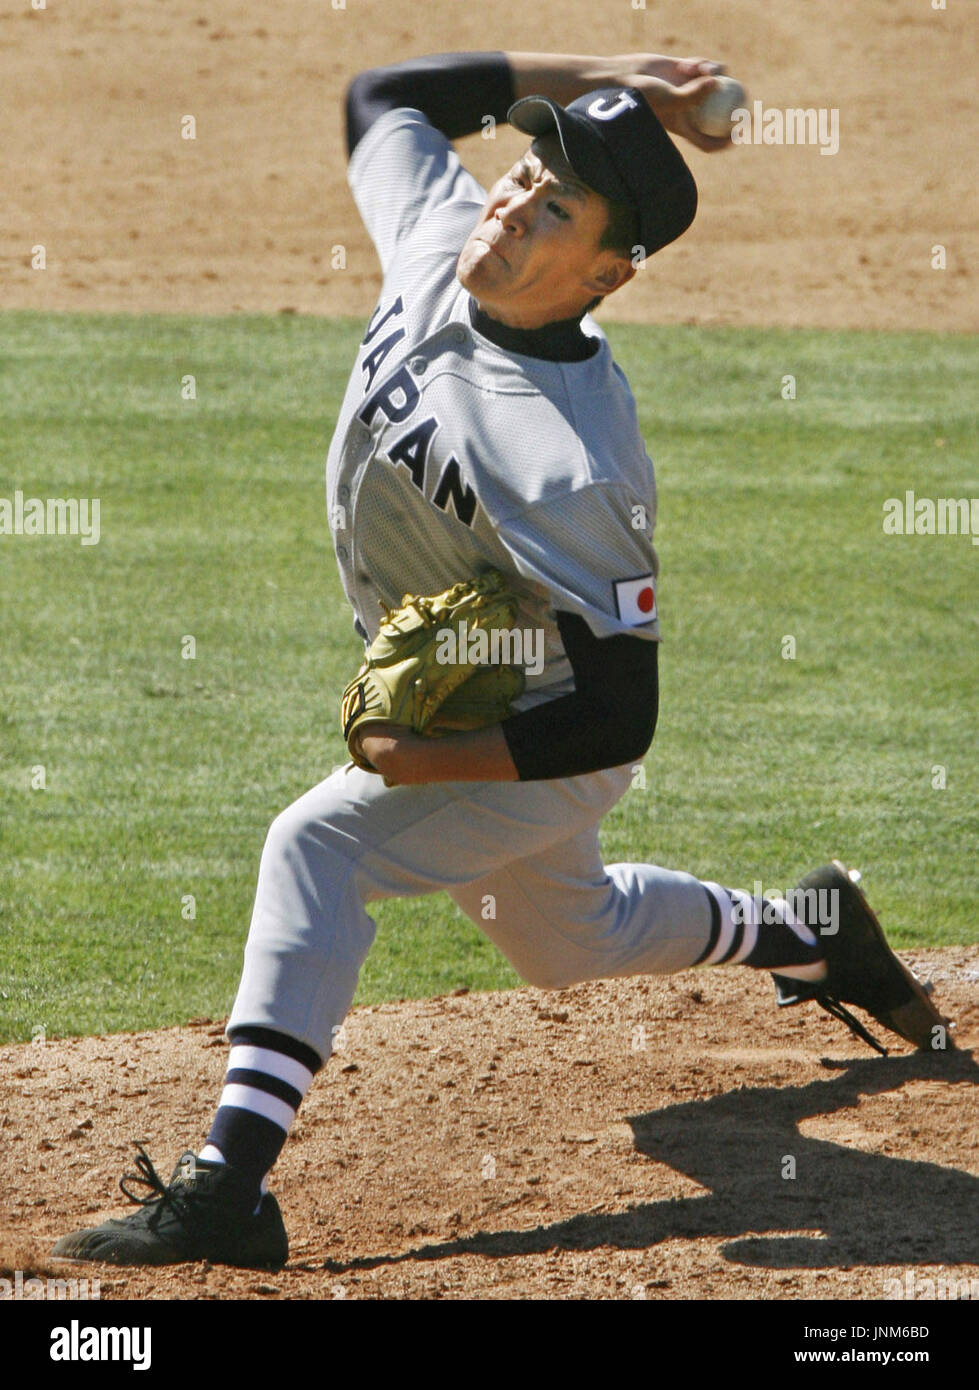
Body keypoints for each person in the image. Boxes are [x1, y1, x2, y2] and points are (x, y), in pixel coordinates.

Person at [52, 50, 948, 1271]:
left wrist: (420, 759)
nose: (514, 206)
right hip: (485, 695)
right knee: (567, 939)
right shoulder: (441, 233)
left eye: (557, 209)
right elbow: (382, 99)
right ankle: (814, 927)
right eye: (524, 171)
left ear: (607, 272)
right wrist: (615, 71)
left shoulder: (569, 463)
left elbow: (619, 715)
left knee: (317, 844)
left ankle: (230, 1186)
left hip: (543, 732)